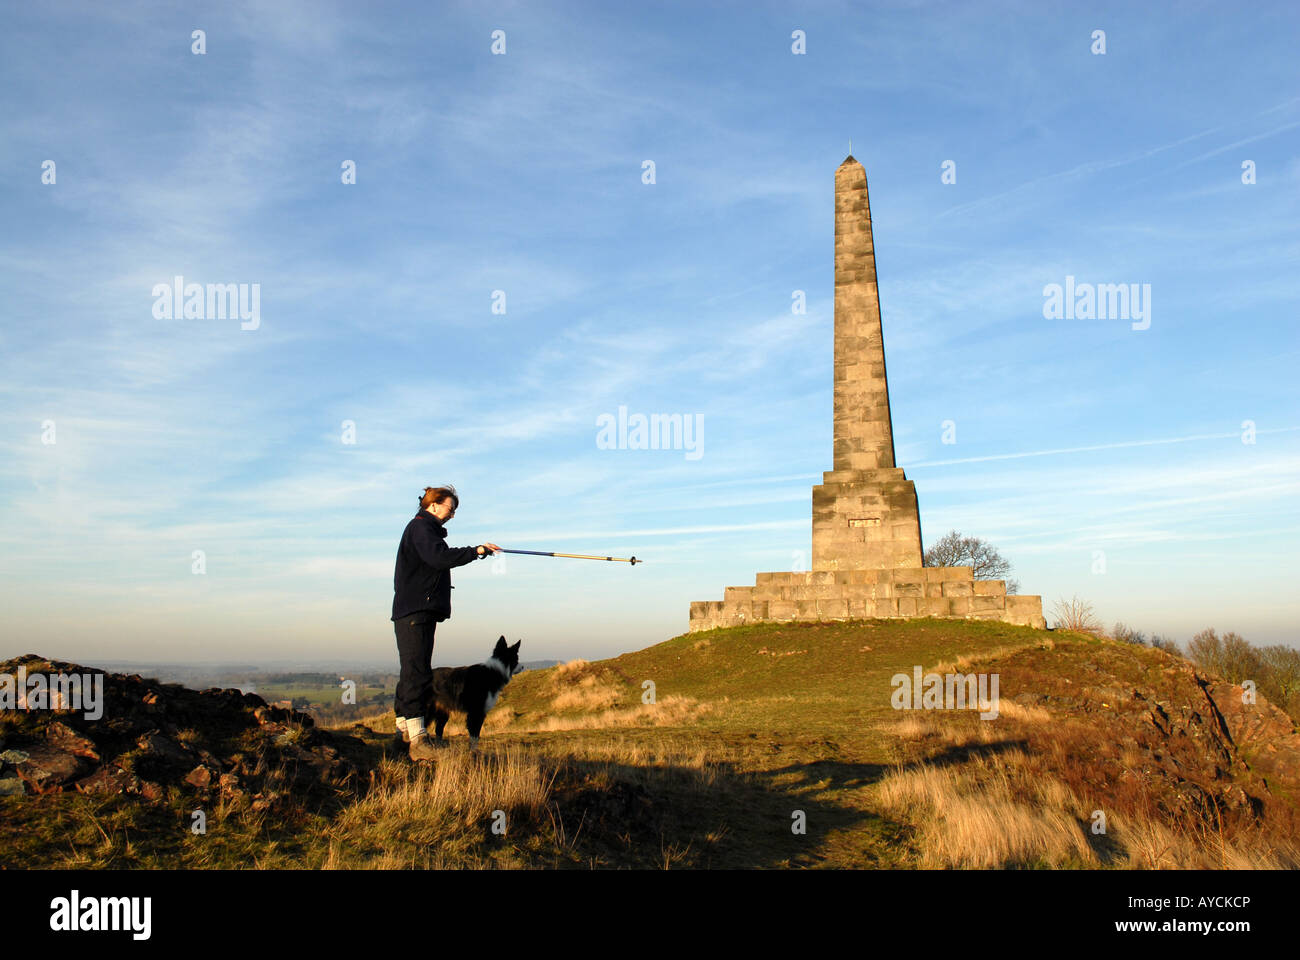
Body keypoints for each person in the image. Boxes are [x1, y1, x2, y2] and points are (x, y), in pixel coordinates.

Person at [391, 485, 499, 761]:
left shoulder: (422, 530)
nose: (452, 516)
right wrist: (476, 550)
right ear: (435, 505)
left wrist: (478, 551)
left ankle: (403, 731)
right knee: (418, 672)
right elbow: (440, 558)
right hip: (416, 611)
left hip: (414, 611)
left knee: (412, 669)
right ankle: (418, 738)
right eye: (451, 509)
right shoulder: (421, 529)